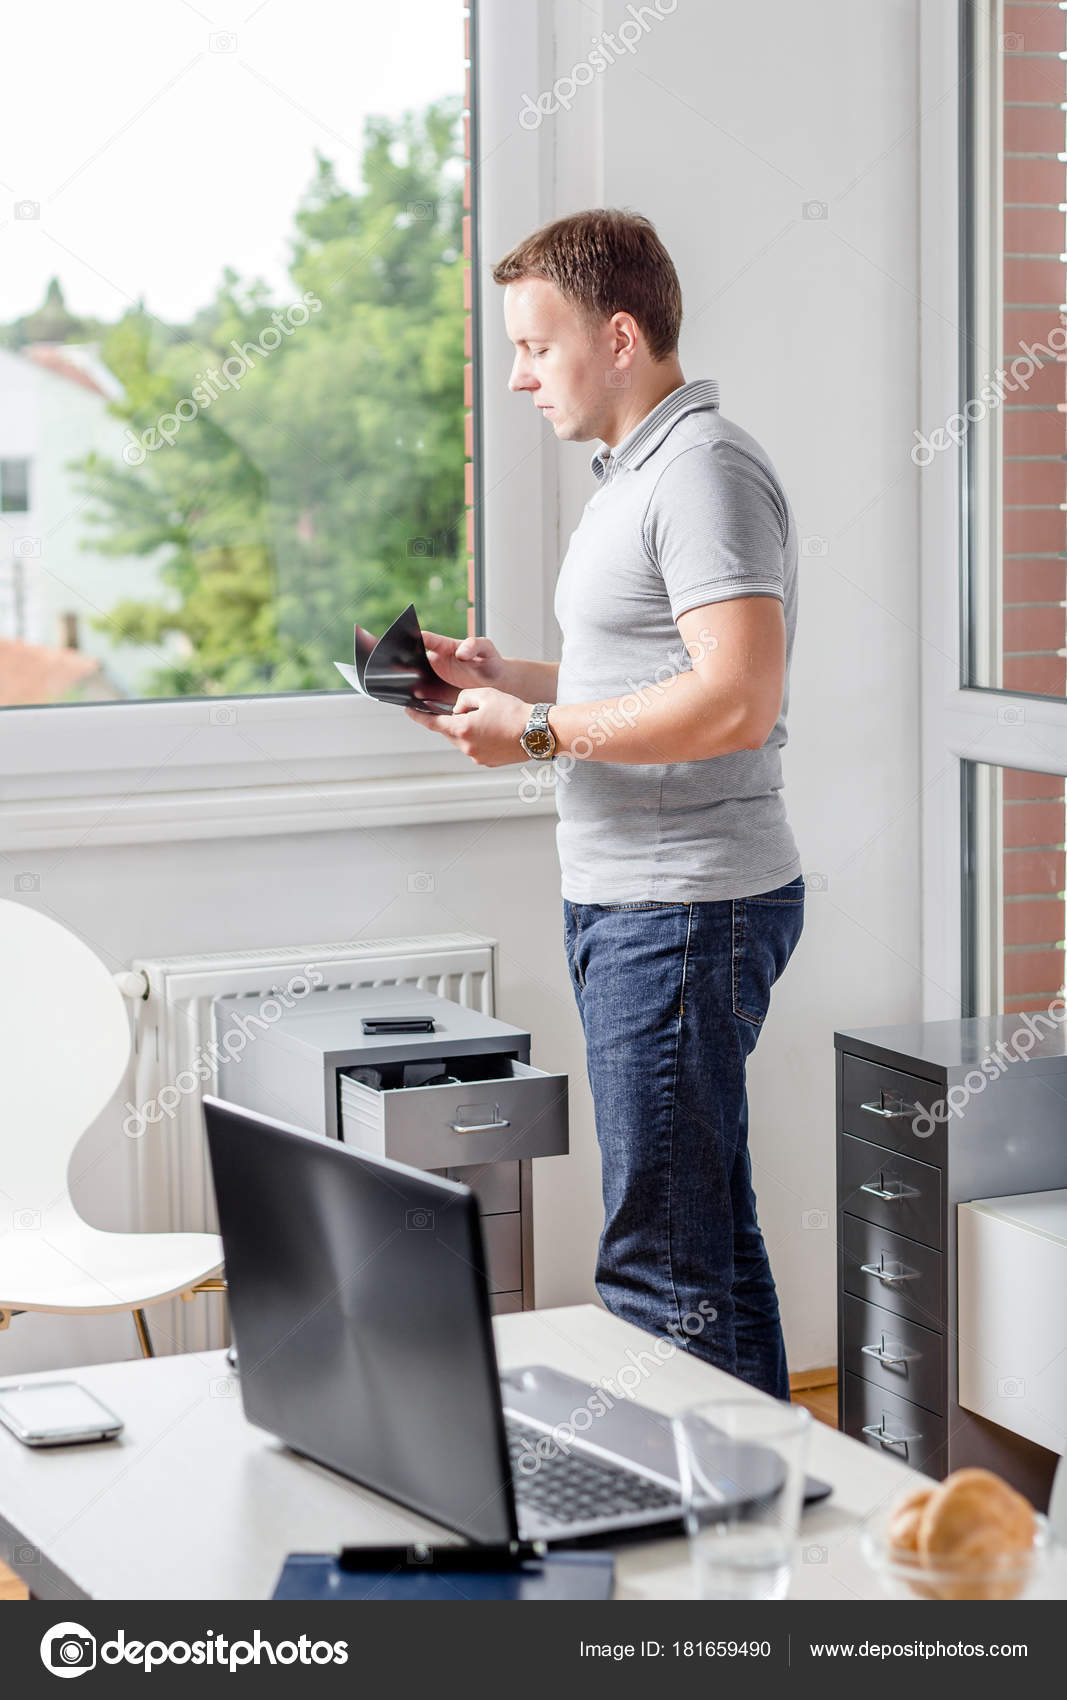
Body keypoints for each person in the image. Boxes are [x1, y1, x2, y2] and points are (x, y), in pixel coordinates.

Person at [407, 209, 803, 1398]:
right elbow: (644, 678)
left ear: (618, 335)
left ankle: (687, 1553)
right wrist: (502, 678)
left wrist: (531, 730)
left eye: (537, 346)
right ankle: (771, 1528)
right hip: (638, 902)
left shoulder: (702, 472)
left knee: (654, 1260)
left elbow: (735, 698)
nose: (519, 375)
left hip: (681, 906)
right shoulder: (638, 472)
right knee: (706, 1239)